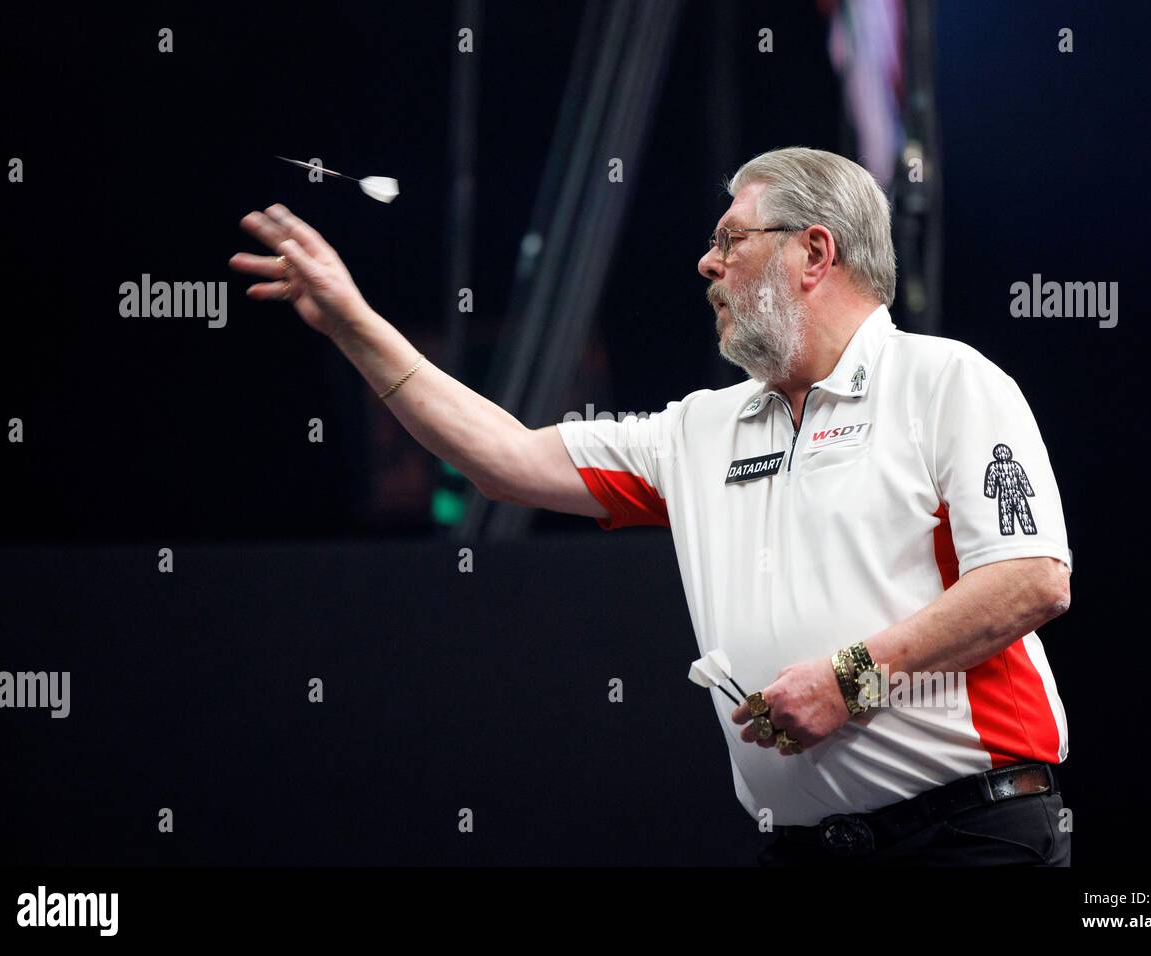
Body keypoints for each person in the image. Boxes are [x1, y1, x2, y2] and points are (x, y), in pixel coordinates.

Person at [229, 146, 1073, 867]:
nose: (707, 264)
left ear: (814, 253)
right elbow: (504, 459)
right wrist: (351, 323)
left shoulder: (945, 381)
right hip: (808, 848)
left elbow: (1031, 581)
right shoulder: (701, 429)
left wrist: (850, 681)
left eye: (730, 240)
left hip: (972, 836)